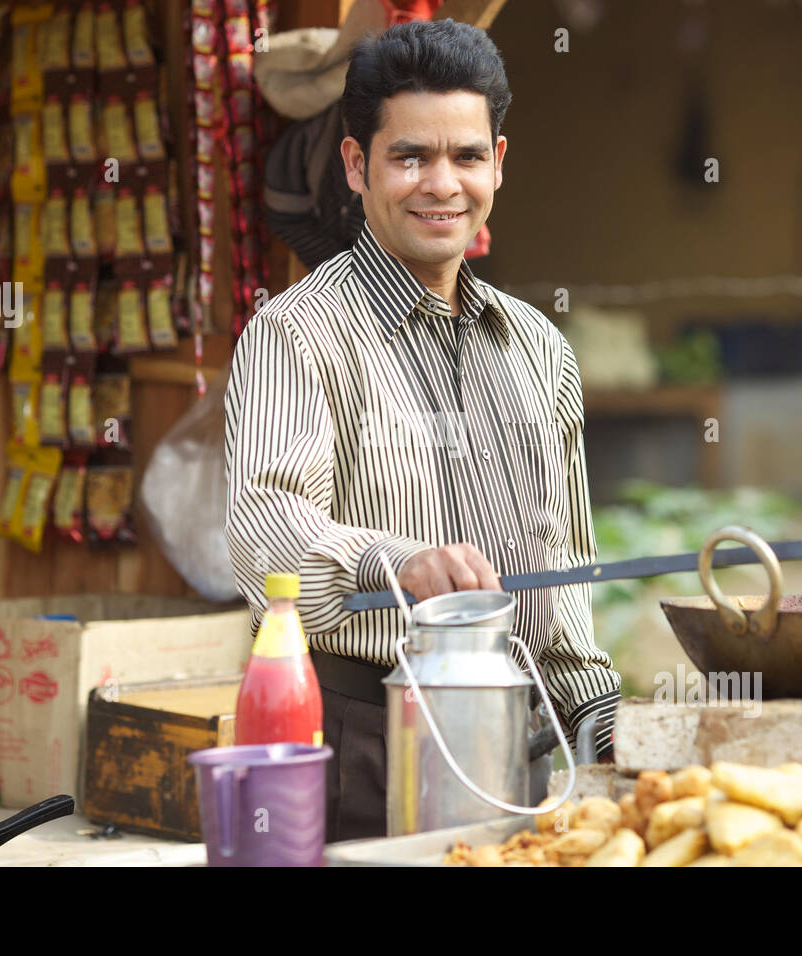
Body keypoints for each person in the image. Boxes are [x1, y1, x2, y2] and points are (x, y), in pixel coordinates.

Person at [224, 18, 621, 842]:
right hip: (359, 747)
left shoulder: (539, 350)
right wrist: (395, 559)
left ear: (498, 164)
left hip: (521, 745)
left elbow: (561, 572)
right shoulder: (295, 333)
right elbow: (264, 537)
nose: (442, 184)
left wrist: (602, 720)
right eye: (410, 157)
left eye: (467, 156)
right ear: (357, 165)